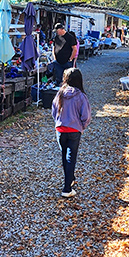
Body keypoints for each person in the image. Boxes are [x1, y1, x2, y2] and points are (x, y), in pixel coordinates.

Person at [51, 68, 91, 198]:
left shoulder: (60, 94)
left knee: (65, 156)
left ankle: (70, 178)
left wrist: (58, 122)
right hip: (74, 129)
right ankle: (67, 188)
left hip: (61, 129)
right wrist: (81, 126)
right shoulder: (80, 96)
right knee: (71, 158)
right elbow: (86, 116)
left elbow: (54, 111)